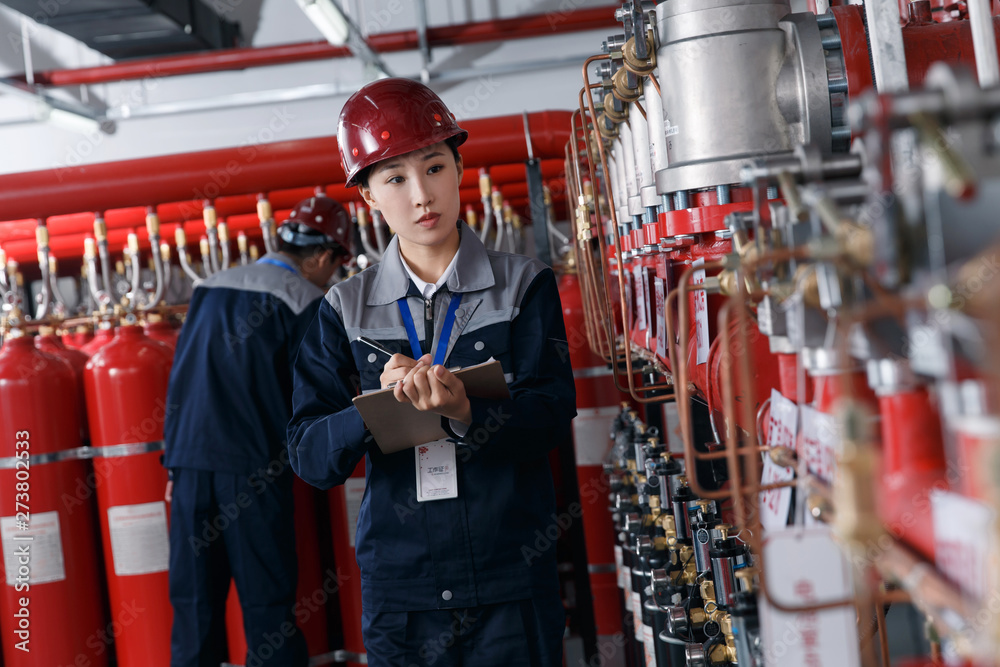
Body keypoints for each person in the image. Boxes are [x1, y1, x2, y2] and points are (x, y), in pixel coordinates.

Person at [287, 78, 577, 666]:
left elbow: (550, 416)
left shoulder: (525, 286)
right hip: (404, 596)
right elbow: (310, 456)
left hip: (509, 584)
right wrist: (375, 408)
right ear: (368, 196)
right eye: (394, 178)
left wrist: (468, 412)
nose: (422, 195)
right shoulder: (343, 310)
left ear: (459, 166)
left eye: (435, 167)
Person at [163, 196, 351, 667]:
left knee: (192, 606)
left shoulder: (208, 287)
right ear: (324, 258)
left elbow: (180, 377)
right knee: (268, 608)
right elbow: (317, 396)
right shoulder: (304, 301)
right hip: (251, 472)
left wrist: (173, 463)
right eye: (335, 267)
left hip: (188, 467)